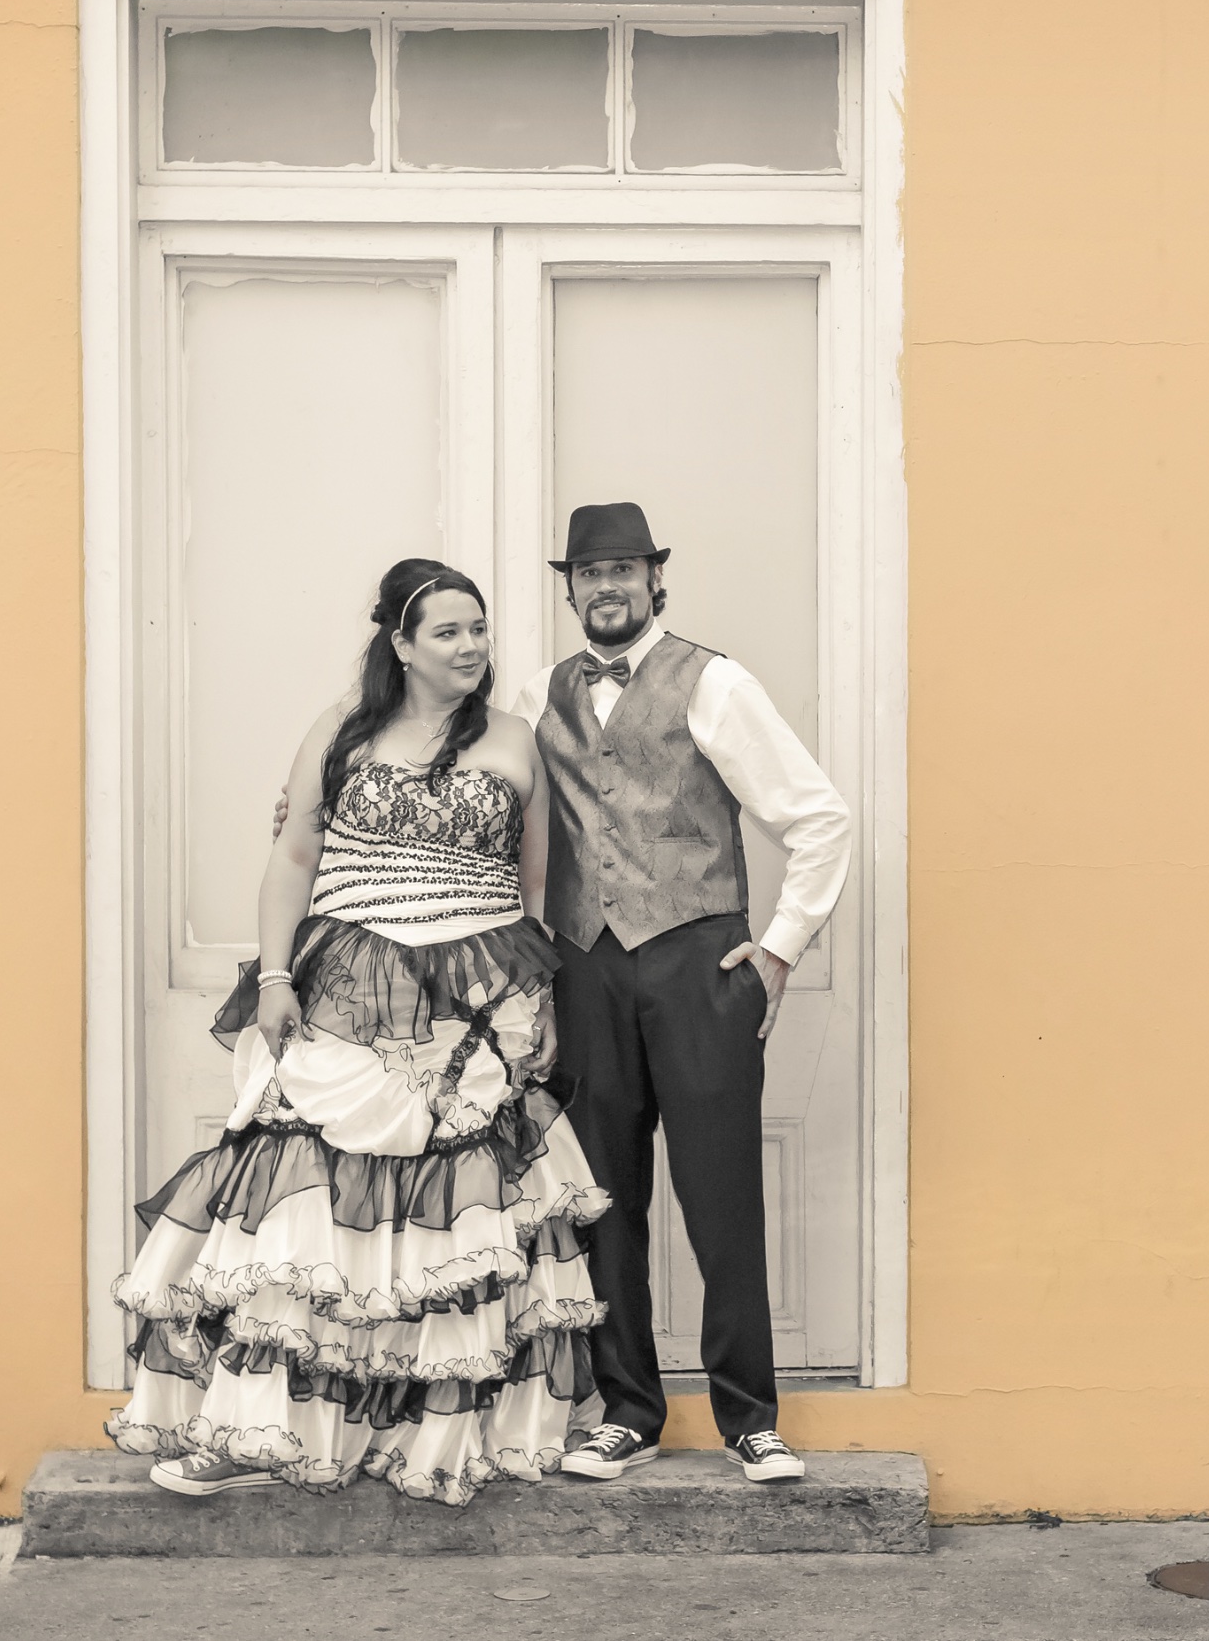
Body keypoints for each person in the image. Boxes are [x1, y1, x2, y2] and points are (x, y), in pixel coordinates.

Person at [108, 559, 609, 1506]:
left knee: (453, 1220)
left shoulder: (513, 739)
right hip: (342, 978)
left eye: (480, 630)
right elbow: (293, 853)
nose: (472, 647)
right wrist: (272, 973)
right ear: (401, 644)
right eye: (450, 632)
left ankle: (427, 1435)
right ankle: (249, 1431)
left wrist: (532, 1001)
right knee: (303, 1212)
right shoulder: (342, 732)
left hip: (475, 991)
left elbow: (532, 884)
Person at [514, 503, 852, 1485]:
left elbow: (817, 816)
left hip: (698, 964)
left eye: (623, 567)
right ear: (568, 588)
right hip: (583, 964)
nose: (606, 586)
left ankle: (750, 1415)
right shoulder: (537, 693)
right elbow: (465, 775)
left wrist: (777, 950)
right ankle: (627, 1409)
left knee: (719, 1194)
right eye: (588, 572)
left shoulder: (715, 681)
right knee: (602, 1198)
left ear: (656, 579)